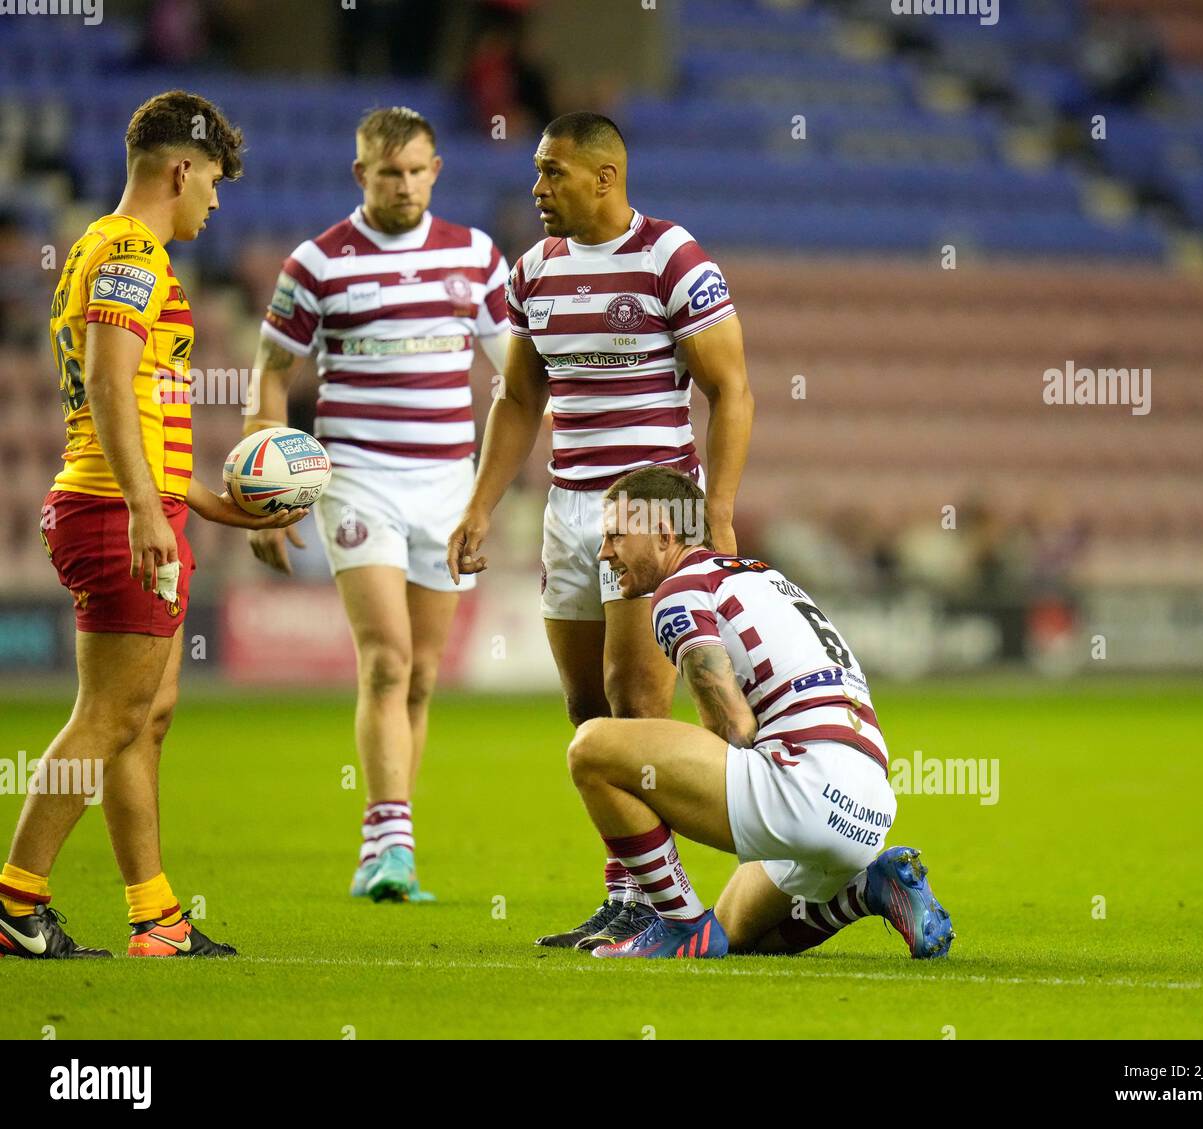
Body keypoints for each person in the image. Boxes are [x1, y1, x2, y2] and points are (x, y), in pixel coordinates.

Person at [0, 90, 307, 960]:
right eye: (211, 180)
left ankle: (156, 918)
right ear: (180, 169)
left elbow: (130, 397)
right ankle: (16, 902)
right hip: (111, 505)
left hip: (125, 499)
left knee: (145, 713)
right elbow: (106, 380)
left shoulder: (106, 248)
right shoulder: (134, 252)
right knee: (107, 714)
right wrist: (144, 508)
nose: (215, 199)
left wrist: (204, 502)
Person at [447, 112, 754, 949]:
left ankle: (663, 902)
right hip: (569, 507)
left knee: (637, 702)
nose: (538, 189)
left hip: (654, 507)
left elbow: (730, 388)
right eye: (538, 174)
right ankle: (632, 892)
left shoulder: (671, 256)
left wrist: (715, 510)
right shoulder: (532, 272)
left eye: (553, 173)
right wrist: (481, 505)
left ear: (604, 177)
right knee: (587, 713)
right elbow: (519, 400)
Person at [247, 107, 511, 903]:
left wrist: (492, 494)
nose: (403, 184)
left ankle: (384, 843)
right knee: (388, 657)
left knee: (424, 673)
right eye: (387, 172)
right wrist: (268, 491)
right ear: (360, 174)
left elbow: (518, 379)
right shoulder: (318, 264)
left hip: (448, 484)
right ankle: (392, 843)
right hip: (358, 476)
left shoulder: (477, 256)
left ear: (437, 170)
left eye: (417, 170)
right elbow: (269, 373)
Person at [565, 466, 954, 959]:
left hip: (801, 785)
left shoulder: (679, 590)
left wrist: (678, 784)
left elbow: (730, 722)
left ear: (663, 533)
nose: (604, 552)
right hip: (869, 806)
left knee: (593, 747)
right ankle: (869, 889)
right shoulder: (765, 576)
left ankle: (680, 925)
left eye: (615, 535)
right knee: (735, 933)